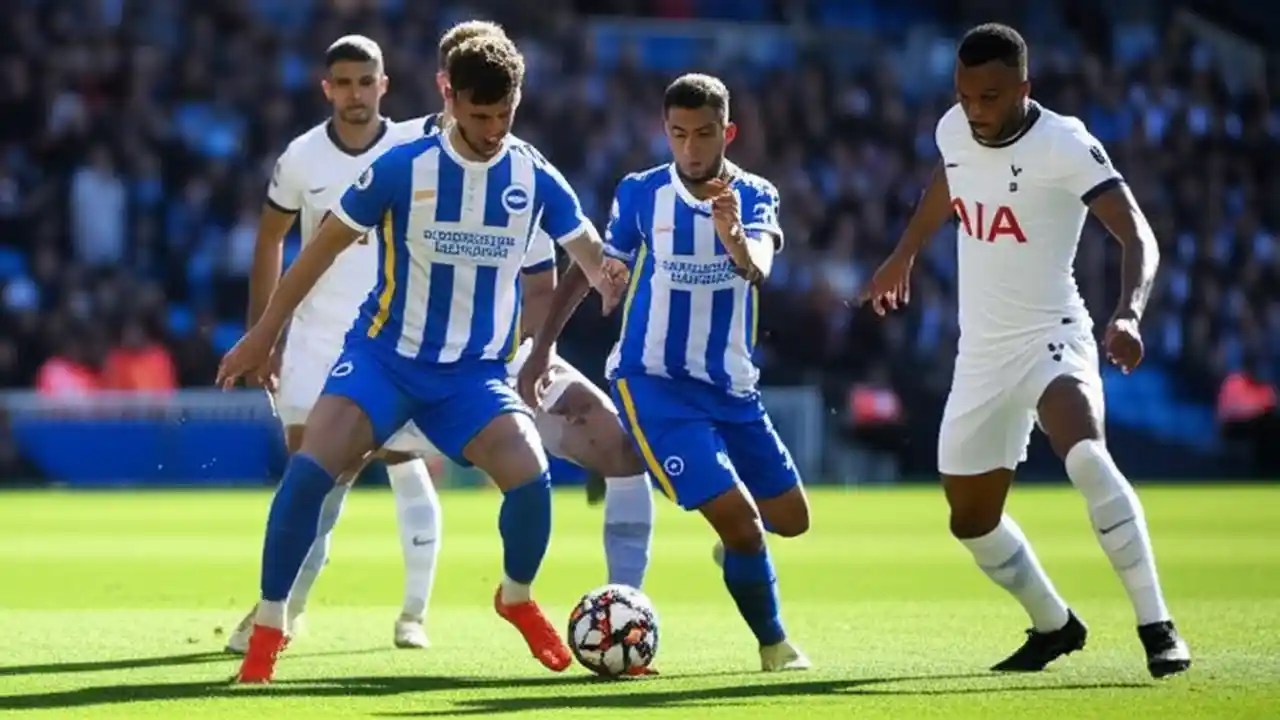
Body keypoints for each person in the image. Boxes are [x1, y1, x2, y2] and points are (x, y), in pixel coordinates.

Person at [218, 33, 628, 683]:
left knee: (531, 479)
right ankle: (269, 627)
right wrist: (264, 333)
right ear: (450, 98)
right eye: (479, 115)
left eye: (504, 115)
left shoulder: (532, 175)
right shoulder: (403, 167)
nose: (492, 130)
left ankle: (515, 597)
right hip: (384, 360)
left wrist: (613, 278)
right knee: (307, 475)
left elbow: (590, 255)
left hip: (472, 378)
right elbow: (318, 250)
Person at [858, 23, 1191, 678]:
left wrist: (1129, 313)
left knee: (1087, 458)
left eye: (989, 97)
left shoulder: (1065, 143)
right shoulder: (955, 128)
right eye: (964, 96)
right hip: (981, 356)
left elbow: (1138, 235)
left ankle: (1158, 627)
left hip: (1051, 336)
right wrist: (904, 252)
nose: (974, 110)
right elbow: (950, 178)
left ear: (1023, 88)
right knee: (971, 522)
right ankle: (1055, 625)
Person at [519, 73, 811, 672]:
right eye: (679, 134)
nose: (691, 147)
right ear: (666, 131)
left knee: (791, 521)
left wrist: (733, 237)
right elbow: (593, 266)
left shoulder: (754, 196)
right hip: (652, 382)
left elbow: (758, 267)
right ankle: (775, 645)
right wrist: (545, 346)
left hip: (731, 387)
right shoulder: (641, 193)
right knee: (744, 525)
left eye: (703, 134)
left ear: (727, 132)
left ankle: (739, 553)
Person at [224, 35, 442, 655]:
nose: (355, 94)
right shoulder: (301, 158)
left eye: (365, 81)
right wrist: (263, 334)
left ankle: (410, 615)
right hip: (317, 337)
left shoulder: (415, 143)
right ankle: (285, 608)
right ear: (326, 88)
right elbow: (270, 239)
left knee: (402, 462)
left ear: (384, 85)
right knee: (311, 475)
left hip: (391, 337)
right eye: (343, 83)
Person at [423, 21, 655, 591]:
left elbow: (541, 288)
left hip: (494, 364)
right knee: (324, 467)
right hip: (403, 358)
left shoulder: (522, 175)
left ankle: (625, 608)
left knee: (618, 446)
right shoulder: (406, 160)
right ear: (447, 87)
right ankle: (275, 608)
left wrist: (537, 356)